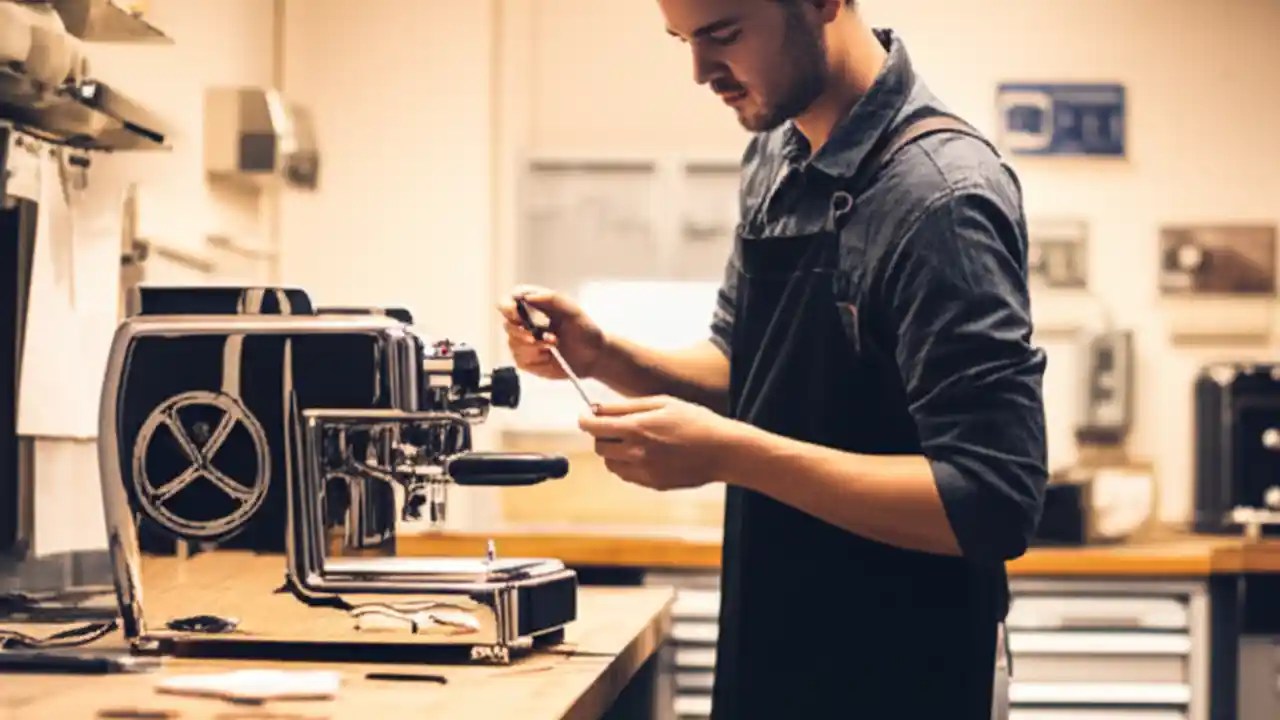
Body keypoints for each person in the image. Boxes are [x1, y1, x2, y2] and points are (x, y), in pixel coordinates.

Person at [498, 1, 1047, 717]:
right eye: (683, 41)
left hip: (903, 676)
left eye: (723, 35)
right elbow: (747, 366)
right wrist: (606, 354)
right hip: (779, 648)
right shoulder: (777, 151)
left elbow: (995, 500)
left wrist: (732, 455)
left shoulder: (941, 198)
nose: (699, 72)